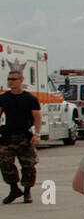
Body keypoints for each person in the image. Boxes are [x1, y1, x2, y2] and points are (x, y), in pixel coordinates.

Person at [0, 66, 42, 204]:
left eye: (14, 79)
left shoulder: (30, 99)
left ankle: (27, 192)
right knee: (5, 163)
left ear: (21, 80)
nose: (11, 82)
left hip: (24, 136)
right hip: (8, 136)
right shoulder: (4, 98)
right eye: (9, 79)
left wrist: (37, 134)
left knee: (28, 165)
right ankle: (14, 189)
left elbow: (37, 117)